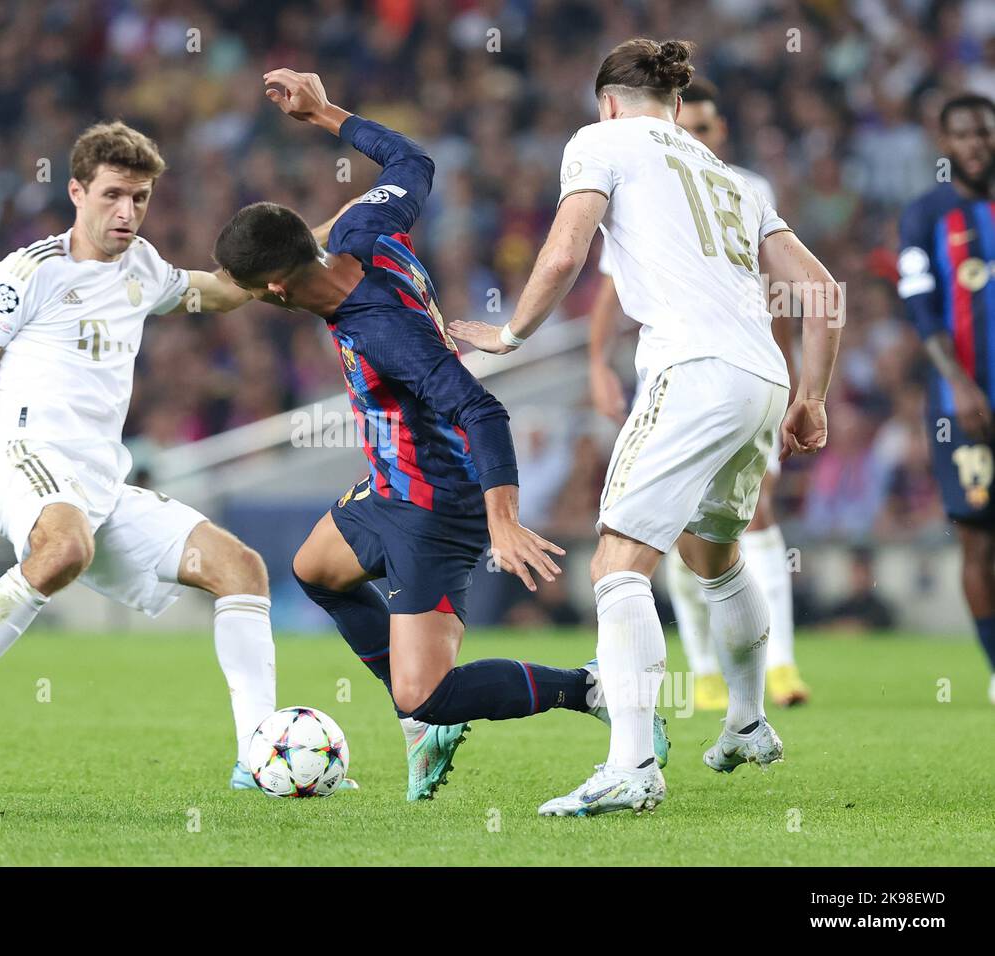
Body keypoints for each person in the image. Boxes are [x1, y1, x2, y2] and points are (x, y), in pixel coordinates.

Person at [213, 68, 667, 801]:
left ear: (274, 289)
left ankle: (591, 691)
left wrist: (504, 521)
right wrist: (326, 111)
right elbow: (413, 163)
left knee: (425, 690)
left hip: (434, 502)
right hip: (389, 484)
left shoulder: (383, 331)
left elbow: (481, 411)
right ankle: (421, 720)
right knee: (315, 570)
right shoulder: (367, 227)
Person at [0, 120, 295, 791]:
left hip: (100, 481)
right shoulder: (30, 273)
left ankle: (258, 758)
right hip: (24, 455)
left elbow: (220, 292)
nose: (127, 211)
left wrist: (305, 246)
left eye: (140, 197)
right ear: (76, 191)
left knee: (241, 568)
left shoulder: (145, 268)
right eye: (113, 195)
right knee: (65, 548)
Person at [451, 39, 841, 816]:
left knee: (618, 567)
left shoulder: (602, 141)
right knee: (714, 555)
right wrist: (813, 396)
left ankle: (631, 765)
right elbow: (822, 290)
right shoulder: (730, 177)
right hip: (762, 377)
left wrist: (510, 335)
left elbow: (563, 254)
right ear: (673, 103)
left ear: (607, 101)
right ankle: (746, 719)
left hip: (691, 370)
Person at [587, 77, 808, 710]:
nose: (696, 137)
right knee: (690, 529)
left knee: (655, 540)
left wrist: (795, 379)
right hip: (715, 371)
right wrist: (597, 363)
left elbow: (786, 293)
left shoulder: (742, 185)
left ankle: (776, 670)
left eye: (707, 129)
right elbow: (609, 286)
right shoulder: (647, 177)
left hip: (715, 369)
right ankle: (718, 682)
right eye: (692, 127)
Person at [897, 92, 995, 706]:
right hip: (959, 407)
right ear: (944, 144)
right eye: (963, 135)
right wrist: (959, 383)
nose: (976, 145)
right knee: (980, 538)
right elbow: (919, 305)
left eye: (984, 134)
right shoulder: (926, 213)